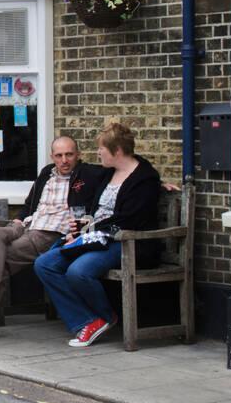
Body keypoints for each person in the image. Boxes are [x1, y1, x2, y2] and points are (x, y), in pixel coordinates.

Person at [0, 136, 104, 340]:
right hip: (27, 225)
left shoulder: (89, 174)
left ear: (78, 155)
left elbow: (125, 166)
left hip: (50, 234)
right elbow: (29, 206)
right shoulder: (46, 174)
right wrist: (17, 221)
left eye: (69, 154)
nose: (64, 160)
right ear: (52, 157)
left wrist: (157, 183)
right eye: (59, 156)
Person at [33, 122, 162, 348]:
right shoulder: (107, 173)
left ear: (117, 150)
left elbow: (129, 220)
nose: (98, 152)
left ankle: (102, 317)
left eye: (102, 148)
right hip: (95, 239)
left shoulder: (144, 179)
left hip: (126, 242)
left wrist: (88, 232)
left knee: (78, 271)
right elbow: (95, 209)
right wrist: (83, 228)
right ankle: (89, 319)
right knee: (44, 263)